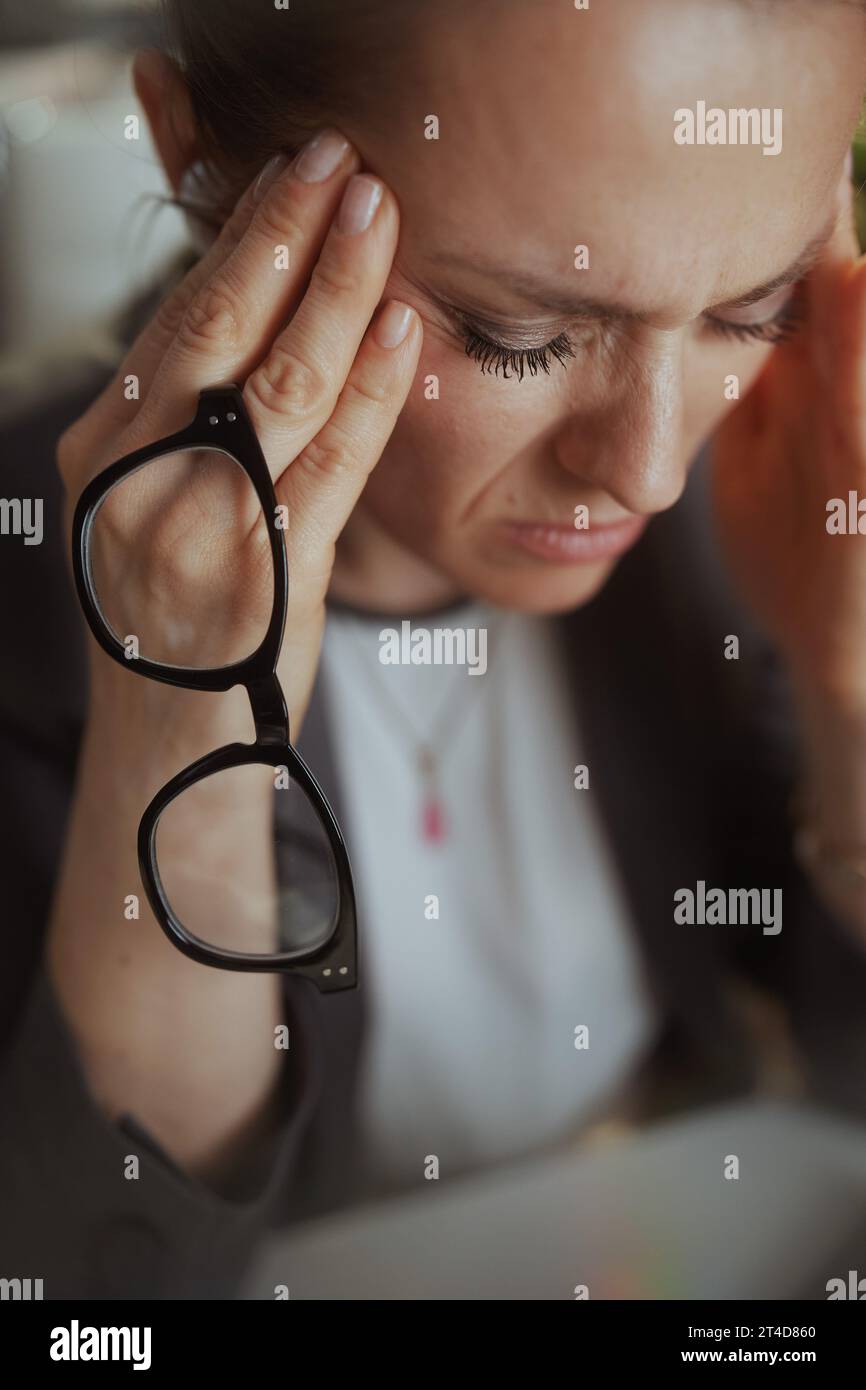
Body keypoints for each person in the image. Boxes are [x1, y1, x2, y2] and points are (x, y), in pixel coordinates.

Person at [2, 0, 866, 1300]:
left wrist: (844, 679)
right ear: (194, 155)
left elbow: (841, 1071)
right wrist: (174, 719)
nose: (640, 470)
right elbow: (100, 1297)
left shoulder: (766, 481)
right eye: (516, 337)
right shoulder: (29, 590)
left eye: (753, 307)